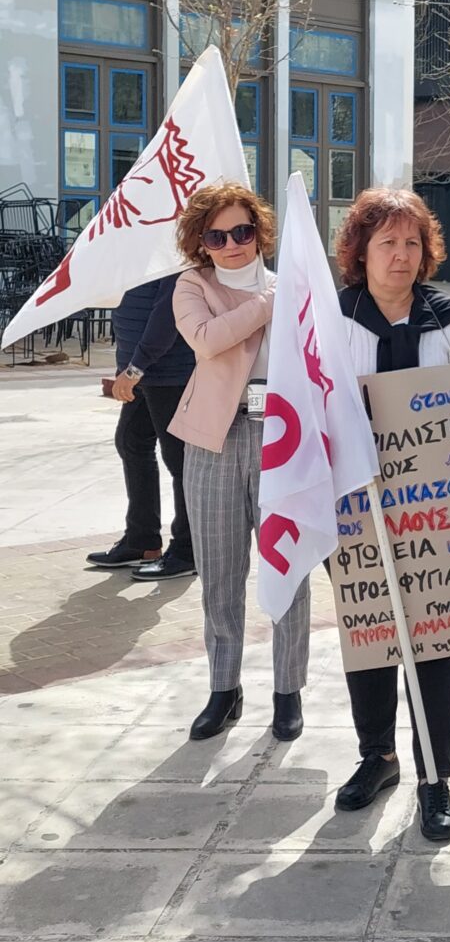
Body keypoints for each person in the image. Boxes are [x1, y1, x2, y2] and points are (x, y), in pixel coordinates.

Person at [331, 188, 450, 844]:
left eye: (411, 242)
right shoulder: (332, 322)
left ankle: (435, 778)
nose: (400, 254)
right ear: (360, 251)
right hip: (355, 505)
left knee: (432, 642)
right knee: (369, 635)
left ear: (426, 253)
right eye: (386, 242)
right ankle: (378, 757)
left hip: (434, 508)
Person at [170, 182, 305, 743]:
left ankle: (287, 690)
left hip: (283, 439)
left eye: (242, 232)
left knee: (288, 569)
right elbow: (205, 340)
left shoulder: (290, 283)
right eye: (217, 235)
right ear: (201, 242)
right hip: (212, 440)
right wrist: (270, 305)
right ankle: (224, 689)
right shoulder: (192, 284)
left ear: (260, 232)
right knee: (219, 574)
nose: (231, 245)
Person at [86, 276, 197, 580]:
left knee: (179, 460)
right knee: (131, 442)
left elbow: (167, 316)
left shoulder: (169, 249)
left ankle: (188, 551)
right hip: (141, 372)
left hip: (169, 373)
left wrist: (135, 368)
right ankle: (142, 540)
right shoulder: (135, 249)